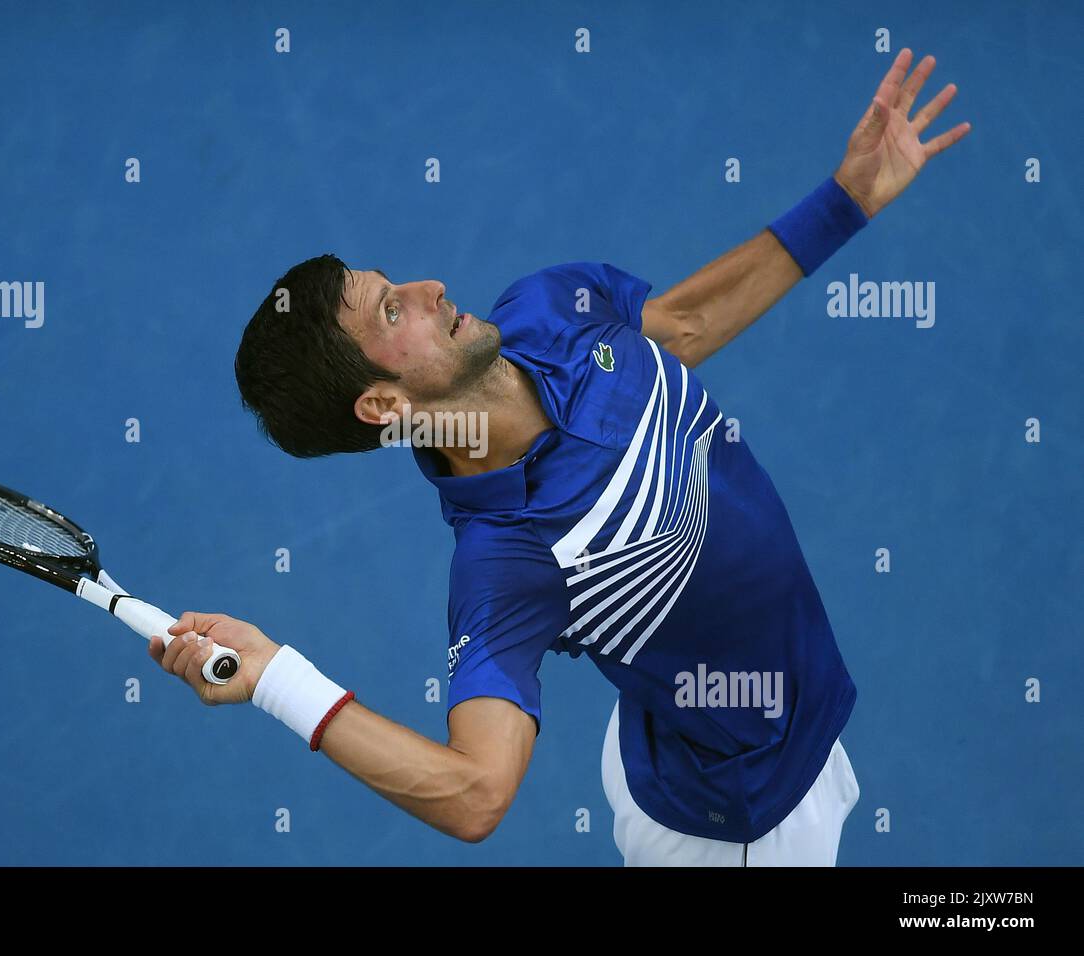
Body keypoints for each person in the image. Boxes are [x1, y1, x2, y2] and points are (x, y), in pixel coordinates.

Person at [148, 48, 969, 864]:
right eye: (394, 310)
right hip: (745, 820)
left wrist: (847, 200)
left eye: (397, 281)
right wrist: (278, 679)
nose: (432, 287)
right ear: (384, 405)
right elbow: (476, 794)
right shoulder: (508, 562)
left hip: (757, 727)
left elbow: (682, 328)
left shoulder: (552, 306)